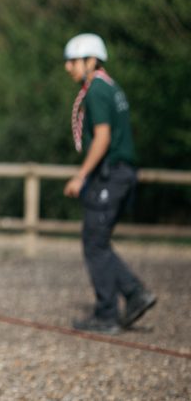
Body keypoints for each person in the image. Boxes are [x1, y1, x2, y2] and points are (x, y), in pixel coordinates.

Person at [63, 33, 156, 334]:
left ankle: (107, 315)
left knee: (94, 242)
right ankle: (134, 294)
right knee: (98, 241)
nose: (68, 67)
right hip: (120, 173)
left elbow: (102, 138)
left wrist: (81, 176)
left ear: (91, 61)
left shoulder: (97, 91)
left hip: (111, 173)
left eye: (73, 61)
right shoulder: (110, 87)